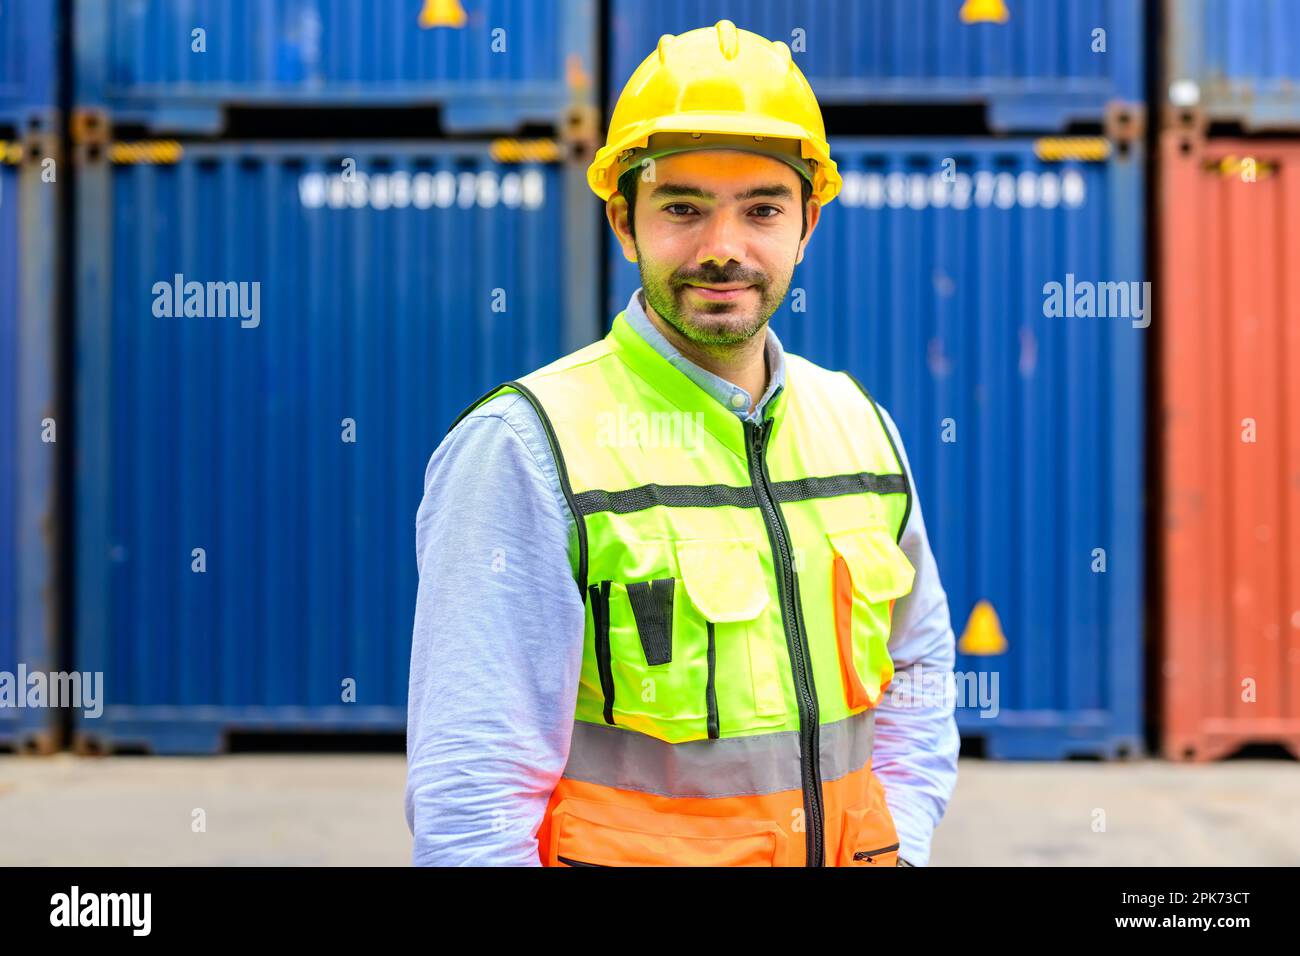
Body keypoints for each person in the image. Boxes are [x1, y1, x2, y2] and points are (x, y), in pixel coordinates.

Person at [406, 19, 958, 867]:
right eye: (683, 209)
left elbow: (916, 677)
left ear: (807, 226)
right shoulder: (524, 447)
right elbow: (471, 789)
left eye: (762, 210)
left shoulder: (859, 425)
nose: (723, 250)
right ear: (624, 224)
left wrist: (902, 845)